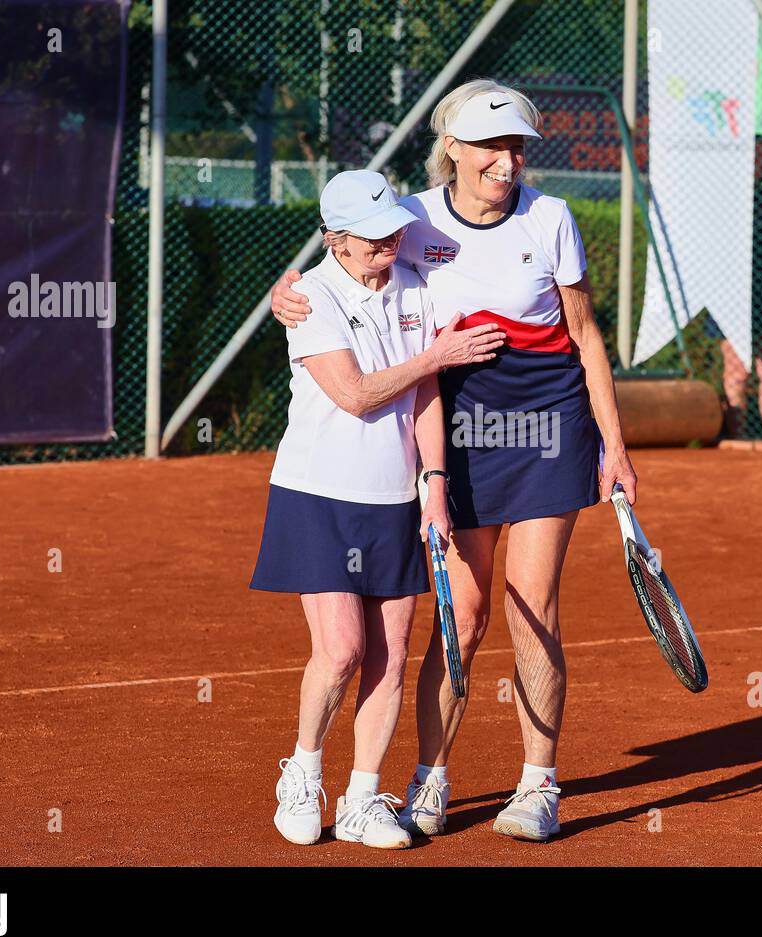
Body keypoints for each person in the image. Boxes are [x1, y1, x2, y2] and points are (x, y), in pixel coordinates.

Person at [269, 79, 637, 842]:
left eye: (519, 147)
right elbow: (339, 256)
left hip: (546, 420)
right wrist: (288, 293)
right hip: (459, 417)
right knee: (459, 615)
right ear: (454, 151)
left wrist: (616, 443)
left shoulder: (554, 218)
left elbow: (587, 333)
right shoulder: (407, 216)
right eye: (494, 147)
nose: (509, 162)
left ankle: (540, 785)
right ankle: (429, 777)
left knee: (531, 605)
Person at [254, 169, 506, 850]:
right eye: (369, 237)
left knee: (389, 659)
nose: (386, 243)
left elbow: (426, 399)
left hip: (395, 499)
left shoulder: (416, 288)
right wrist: (439, 355)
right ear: (335, 240)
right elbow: (360, 395)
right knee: (340, 652)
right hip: (318, 495)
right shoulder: (310, 297)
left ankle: (364, 799)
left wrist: (432, 483)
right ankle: (303, 773)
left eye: (391, 229)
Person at [717, 134, 762, 441]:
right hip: (733, 299)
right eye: (757, 155)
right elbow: (748, 231)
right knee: (737, 374)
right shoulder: (732, 195)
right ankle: (738, 438)